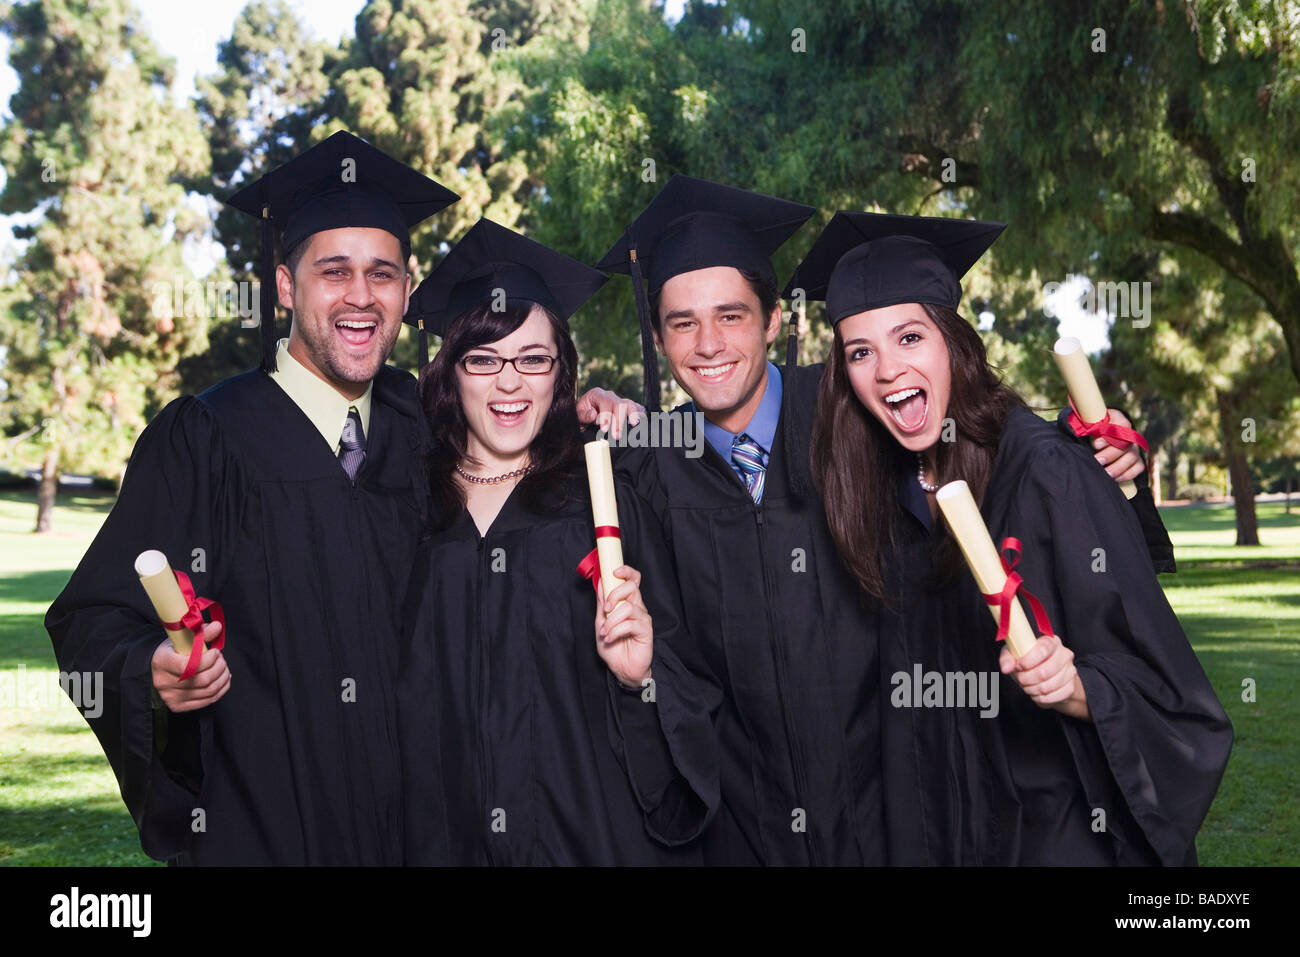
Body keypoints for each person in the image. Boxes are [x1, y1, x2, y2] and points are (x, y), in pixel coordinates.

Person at [44, 133, 636, 865]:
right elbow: (89, 619)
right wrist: (149, 669)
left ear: (407, 289)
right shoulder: (207, 438)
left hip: (425, 837)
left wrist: (584, 413)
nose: (361, 295)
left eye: (382, 273)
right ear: (287, 286)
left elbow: (519, 472)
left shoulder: (426, 433)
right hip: (267, 833)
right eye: (335, 271)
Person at [596, 175, 1163, 865]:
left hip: (907, 810)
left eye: (732, 315)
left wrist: (1100, 456)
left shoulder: (854, 416)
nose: (708, 342)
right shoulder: (646, 472)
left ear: (773, 321)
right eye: (682, 323)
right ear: (658, 337)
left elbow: (986, 441)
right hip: (755, 827)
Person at [792, 210, 1233, 864]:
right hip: (948, 827)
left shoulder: (1047, 472)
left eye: (910, 336)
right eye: (860, 350)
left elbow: (1165, 685)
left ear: (954, 343)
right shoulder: (883, 491)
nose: (886, 369)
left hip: (1063, 834)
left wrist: (1076, 685)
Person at [397, 219, 719, 865]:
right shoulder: (406, 513)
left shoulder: (605, 499)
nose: (510, 382)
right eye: (484, 358)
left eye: (533, 358)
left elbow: (691, 685)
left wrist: (641, 680)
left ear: (559, 370)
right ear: (451, 371)